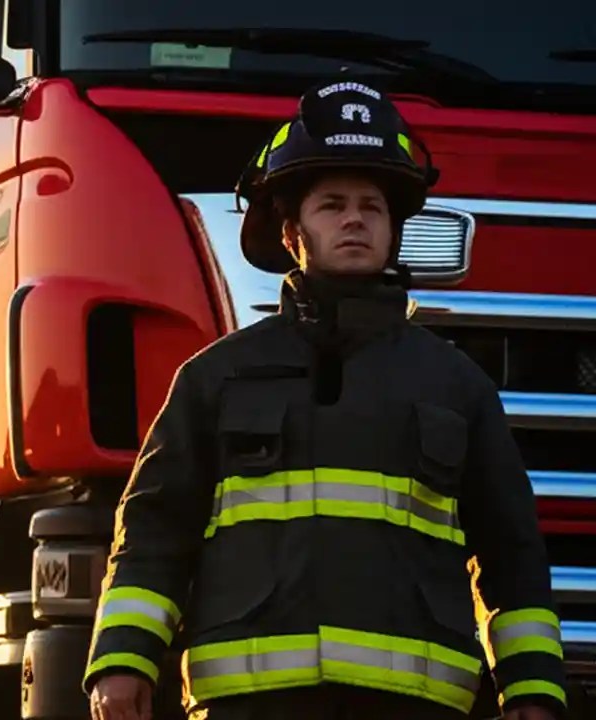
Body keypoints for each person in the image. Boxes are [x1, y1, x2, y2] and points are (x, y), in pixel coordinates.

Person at [82, 79, 567, 720]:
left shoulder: (458, 387)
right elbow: (152, 536)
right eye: (331, 203)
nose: (355, 219)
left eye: (373, 205)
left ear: (396, 228)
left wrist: (532, 693)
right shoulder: (214, 379)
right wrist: (123, 660)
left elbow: (512, 557)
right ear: (292, 231)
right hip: (250, 706)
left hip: (412, 707)